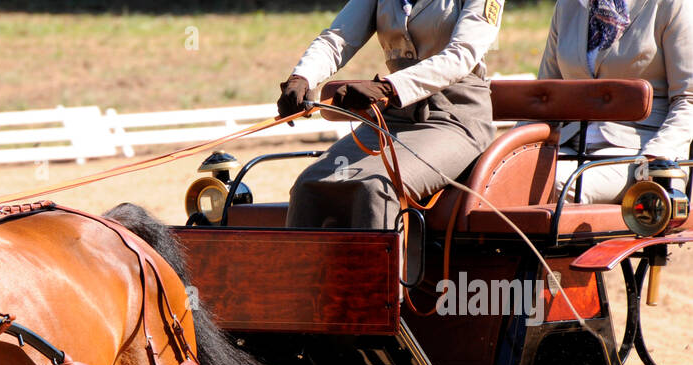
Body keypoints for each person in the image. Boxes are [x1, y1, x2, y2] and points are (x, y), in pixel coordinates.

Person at [277, 0, 503, 229]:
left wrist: (389, 87)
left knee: (375, 188)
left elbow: (461, 54)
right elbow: (338, 38)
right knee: (310, 185)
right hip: (394, 116)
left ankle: (387, 265)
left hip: (454, 119)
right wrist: (303, 77)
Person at [539, 0, 693, 203]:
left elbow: (688, 100)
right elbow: (543, 98)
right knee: (504, 179)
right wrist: (512, 152)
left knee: (557, 183)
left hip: (639, 152)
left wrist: (655, 157)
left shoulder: (671, 4)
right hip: (571, 144)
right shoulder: (568, 5)